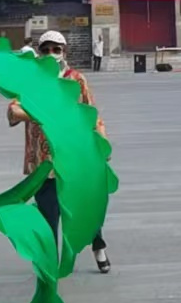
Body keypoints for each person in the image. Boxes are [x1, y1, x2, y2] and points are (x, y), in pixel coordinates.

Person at [8, 29, 110, 271]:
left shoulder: (76, 79)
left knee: (84, 208)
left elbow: (92, 114)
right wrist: (43, 114)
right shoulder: (31, 81)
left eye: (56, 49)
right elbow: (13, 111)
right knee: (48, 215)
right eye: (46, 50)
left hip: (75, 158)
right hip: (44, 163)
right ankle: (50, 263)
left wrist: (103, 146)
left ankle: (98, 247)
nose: (51, 54)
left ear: (65, 52)